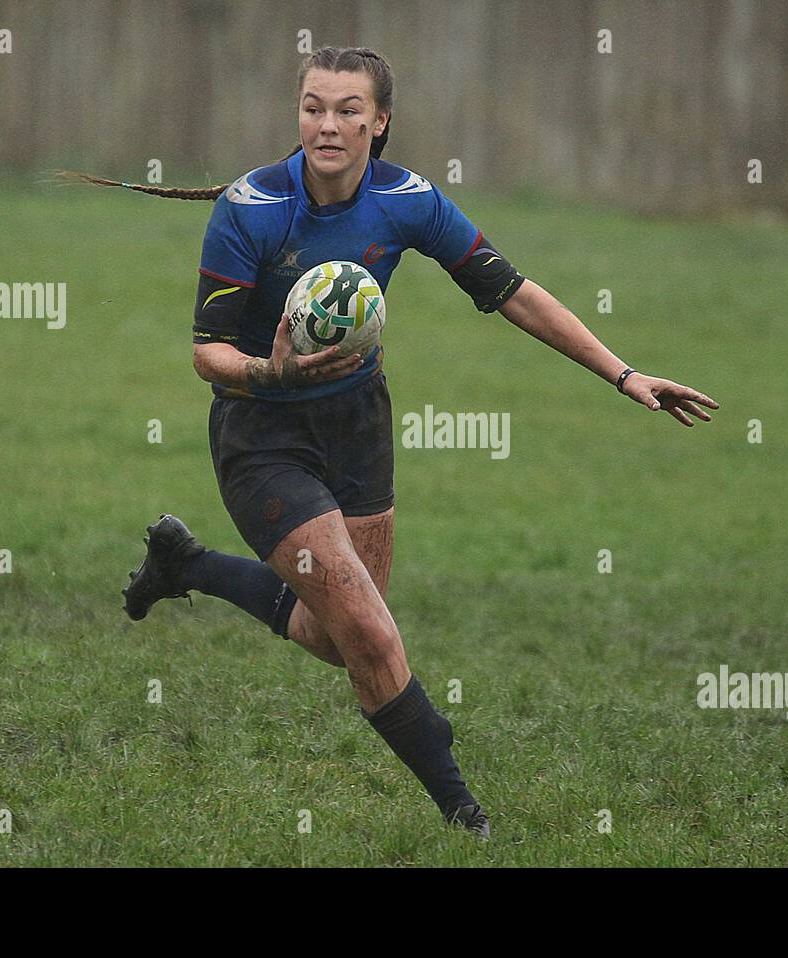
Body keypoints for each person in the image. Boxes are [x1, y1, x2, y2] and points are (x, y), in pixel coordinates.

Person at [71, 46, 718, 840]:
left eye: (348, 109)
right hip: (261, 430)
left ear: (380, 123)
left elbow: (511, 292)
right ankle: (467, 818)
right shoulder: (251, 208)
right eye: (313, 106)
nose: (328, 124)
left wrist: (625, 376)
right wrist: (270, 374)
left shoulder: (408, 200)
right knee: (374, 636)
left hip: (359, 427)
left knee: (336, 638)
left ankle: (187, 565)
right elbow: (206, 351)